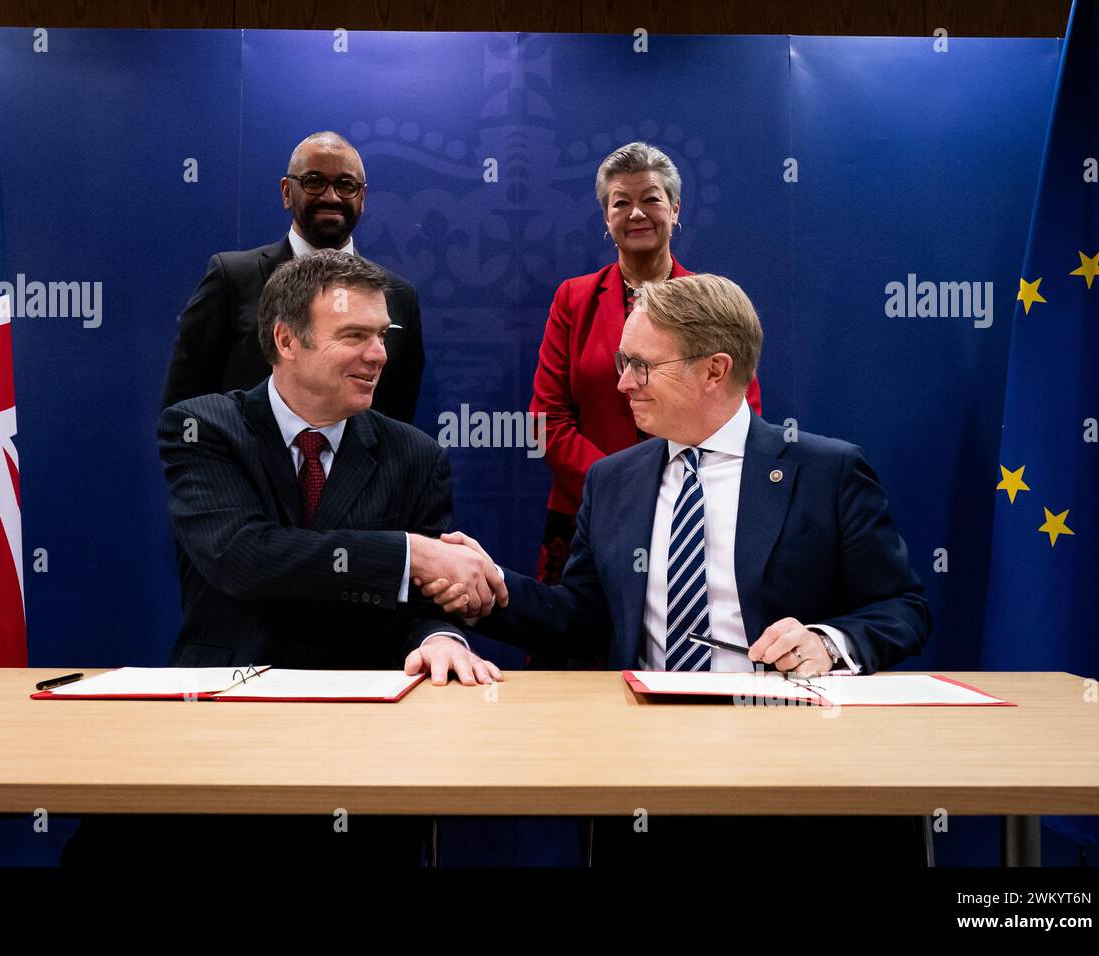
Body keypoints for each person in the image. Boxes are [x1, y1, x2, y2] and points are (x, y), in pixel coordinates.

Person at [423, 273, 931, 865]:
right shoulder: (613, 480)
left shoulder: (827, 472)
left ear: (714, 370)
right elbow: (583, 620)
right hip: (645, 770)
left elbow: (903, 609)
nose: (620, 384)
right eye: (621, 362)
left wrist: (826, 641)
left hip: (792, 766)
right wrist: (495, 590)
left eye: (640, 365)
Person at [65, 250, 502, 867]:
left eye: (383, 335)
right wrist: (408, 554)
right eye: (354, 335)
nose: (378, 354)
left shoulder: (416, 455)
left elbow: (425, 600)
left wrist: (440, 638)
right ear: (285, 339)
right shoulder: (202, 429)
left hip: (364, 734)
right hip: (218, 729)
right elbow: (241, 555)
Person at [531, 142, 762, 590]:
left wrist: (669, 491)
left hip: (693, 511)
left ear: (675, 209)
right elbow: (547, 421)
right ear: (606, 218)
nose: (637, 213)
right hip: (587, 510)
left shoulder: (712, 300)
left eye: (651, 198)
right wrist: (619, 489)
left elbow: (740, 413)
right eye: (621, 202)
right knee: (577, 646)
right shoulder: (573, 299)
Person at [161, 131, 425, 424]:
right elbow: (182, 409)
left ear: (362, 197)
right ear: (287, 191)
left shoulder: (399, 296)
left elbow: (400, 422)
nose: (331, 196)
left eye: (346, 185)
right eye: (314, 181)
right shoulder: (231, 279)